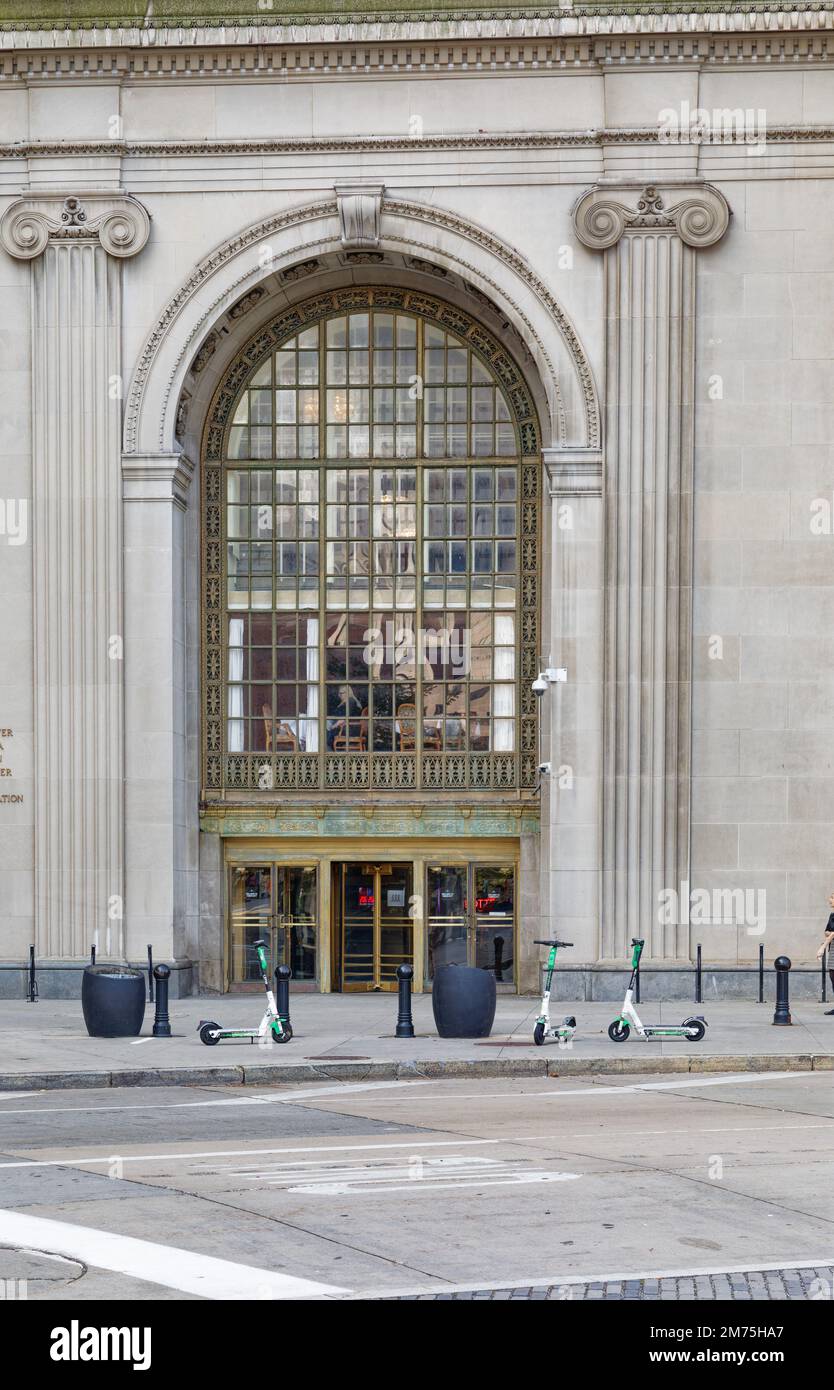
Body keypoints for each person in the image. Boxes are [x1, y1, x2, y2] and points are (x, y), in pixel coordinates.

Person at [815, 893, 834, 1015]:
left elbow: (832, 933)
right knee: (832, 976)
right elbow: (826, 931)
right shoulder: (832, 915)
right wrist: (830, 933)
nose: (830, 902)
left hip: (830, 946)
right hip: (833, 949)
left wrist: (822, 947)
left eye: (831, 900)